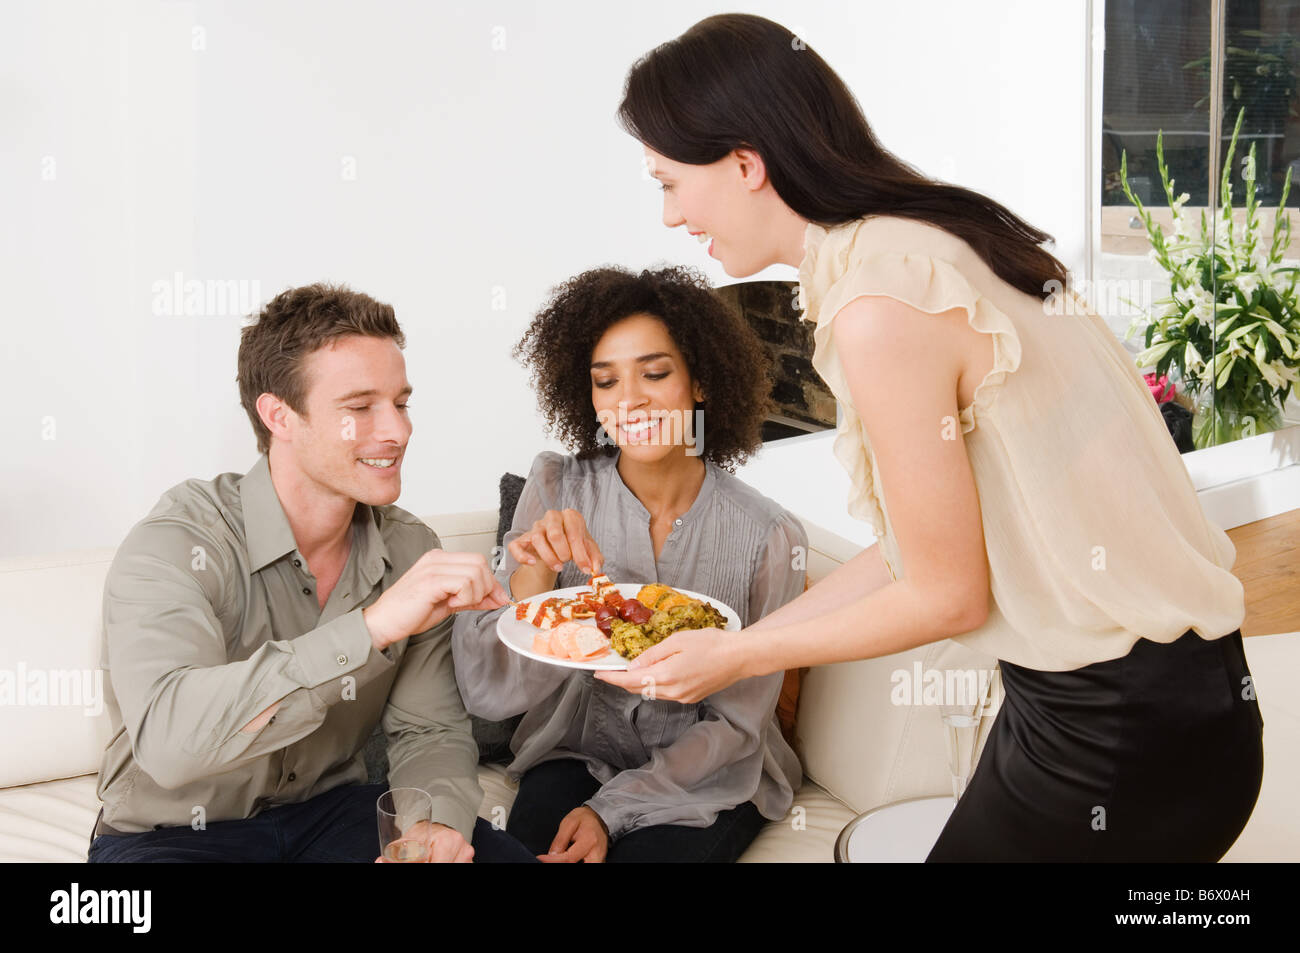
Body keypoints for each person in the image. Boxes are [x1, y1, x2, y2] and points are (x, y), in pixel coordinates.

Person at [596, 13, 1264, 862]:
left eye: (669, 182)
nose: (669, 215)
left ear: (743, 162)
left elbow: (949, 596)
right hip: (1153, 700)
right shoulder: (926, 243)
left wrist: (739, 657)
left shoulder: (882, 301)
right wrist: (736, 646)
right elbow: (914, 549)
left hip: (1121, 725)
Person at [89, 283, 535, 863]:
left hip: (335, 816)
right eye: (359, 408)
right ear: (279, 416)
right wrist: (370, 628)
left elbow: (427, 731)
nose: (397, 430)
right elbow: (172, 746)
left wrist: (435, 823)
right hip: (174, 835)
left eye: (400, 402)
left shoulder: (409, 548)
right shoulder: (179, 541)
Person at [451, 265, 806, 863]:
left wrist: (609, 811)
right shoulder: (555, 486)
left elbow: (738, 725)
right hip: (574, 754)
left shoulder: (769, 536)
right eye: (606, 381)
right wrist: (533, 575)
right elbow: (489, 693)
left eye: (655, 372)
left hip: (705, 774)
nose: (631, 400)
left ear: (702, 383)